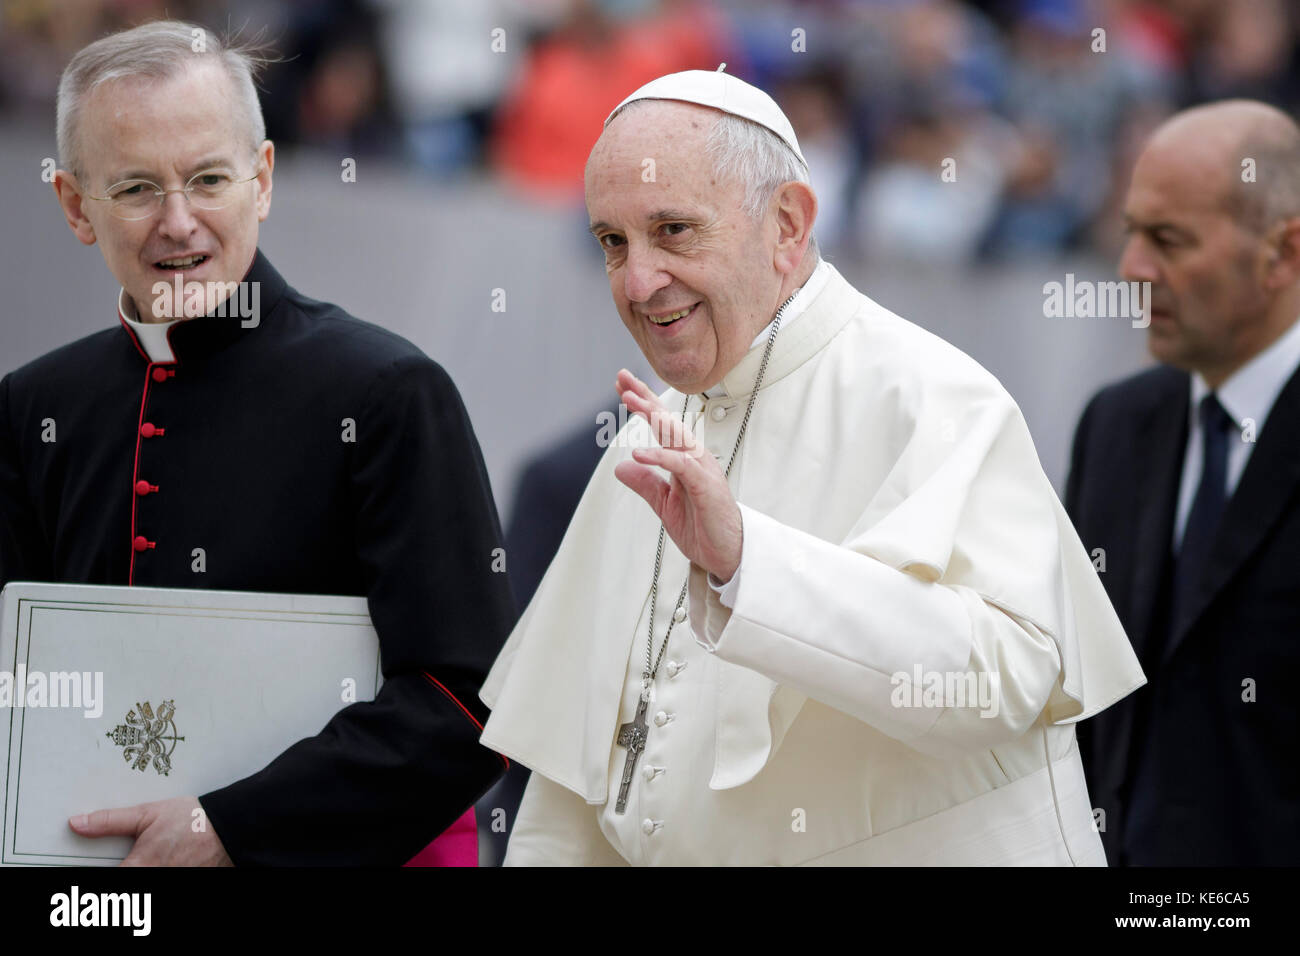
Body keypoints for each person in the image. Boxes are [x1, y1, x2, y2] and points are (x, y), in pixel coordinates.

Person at [479, 68, 1144, 865]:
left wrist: (747, 565)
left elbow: (1011, 677)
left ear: (787, 224)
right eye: (613, 243)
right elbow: (573, 793)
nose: (638, 280)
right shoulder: (641, 442)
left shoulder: (931, 394)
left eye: (674, 231)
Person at [0, 21, 513, 865]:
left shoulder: (386, 393)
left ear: (263, 179)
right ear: (72, 205)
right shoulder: (33, 407)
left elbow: (471, 706)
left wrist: (232, 827)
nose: (178, 223)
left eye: (208, 179)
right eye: (134, 188)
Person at [1066, 100, 1300, 866]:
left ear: (1283, 254)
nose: (1132, 268)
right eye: (1131, 230)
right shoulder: (1117, 425)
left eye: (1168, 240)